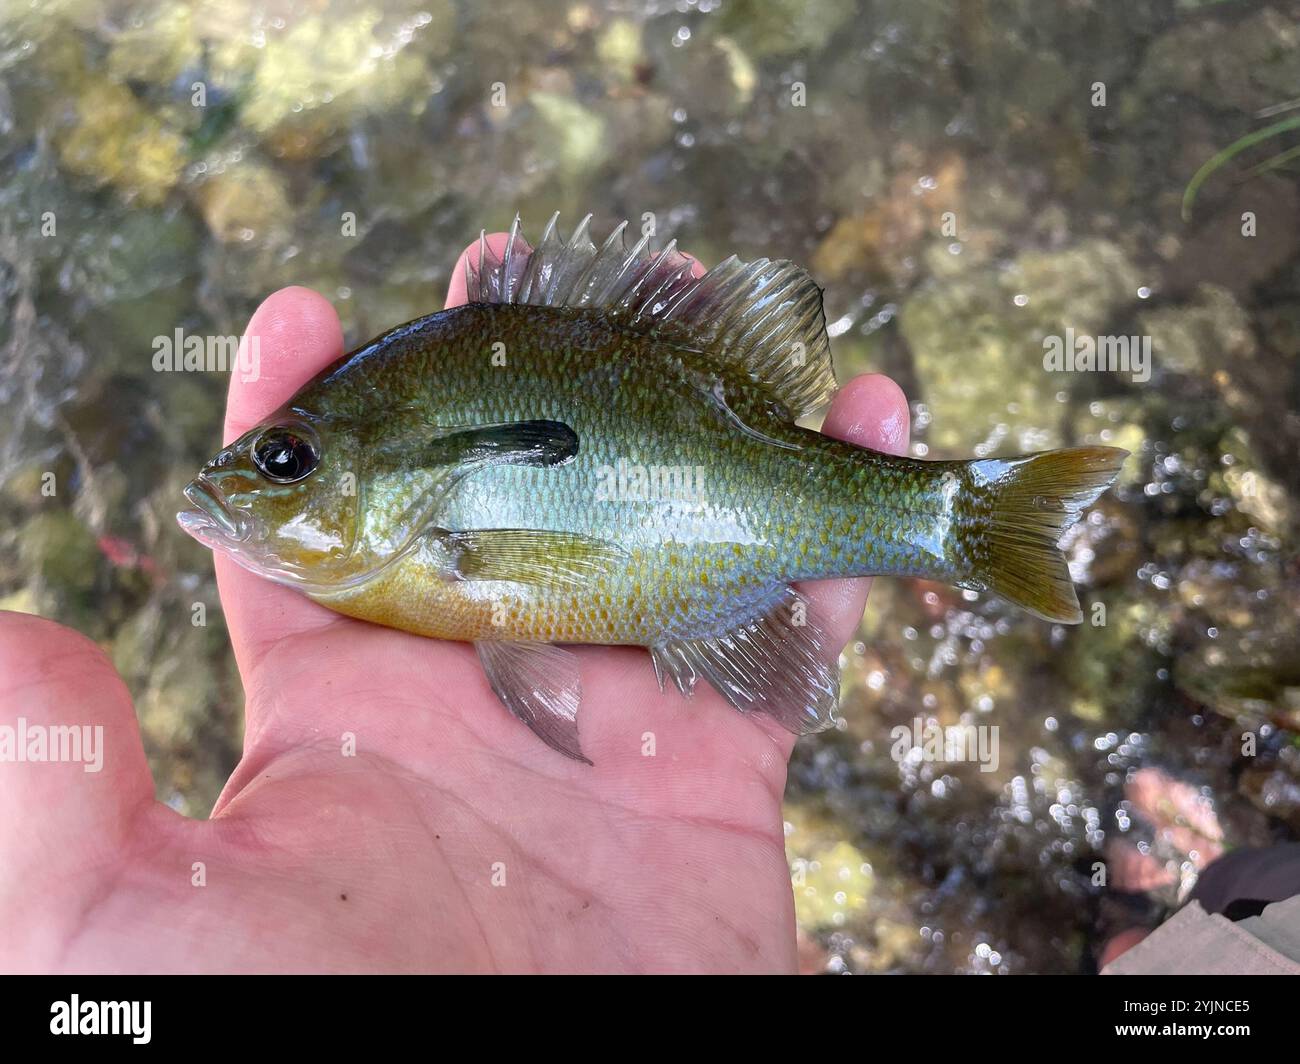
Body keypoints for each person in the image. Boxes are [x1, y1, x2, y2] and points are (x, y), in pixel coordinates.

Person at [0, 235, 911, 974]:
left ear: (399, 463)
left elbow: (520, 583)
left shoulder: (422, 559)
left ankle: (947, 520)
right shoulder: (418, 556)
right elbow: (518, 593)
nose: (241, 487)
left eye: (290, 461)